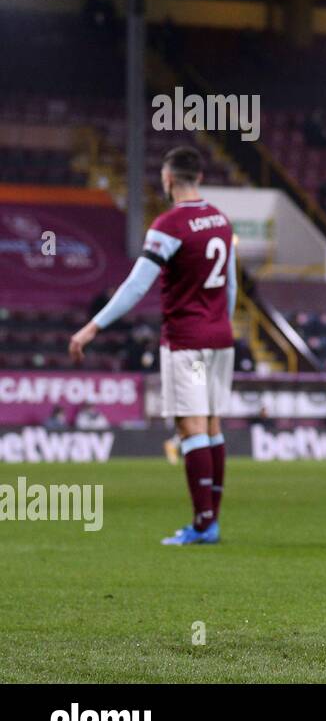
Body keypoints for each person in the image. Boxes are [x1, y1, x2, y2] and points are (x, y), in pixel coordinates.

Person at [69, 145, 236, 545]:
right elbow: (230, 283)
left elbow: (136, 285)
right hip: (220, 338)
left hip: (186, 340)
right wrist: (222, 324)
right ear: (198, 177)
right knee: (212, 426)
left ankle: (202, 525)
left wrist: (92, 327)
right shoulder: (221, 220)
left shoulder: (169, 225)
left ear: (167, 179)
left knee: (190, 427)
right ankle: (210, 520)